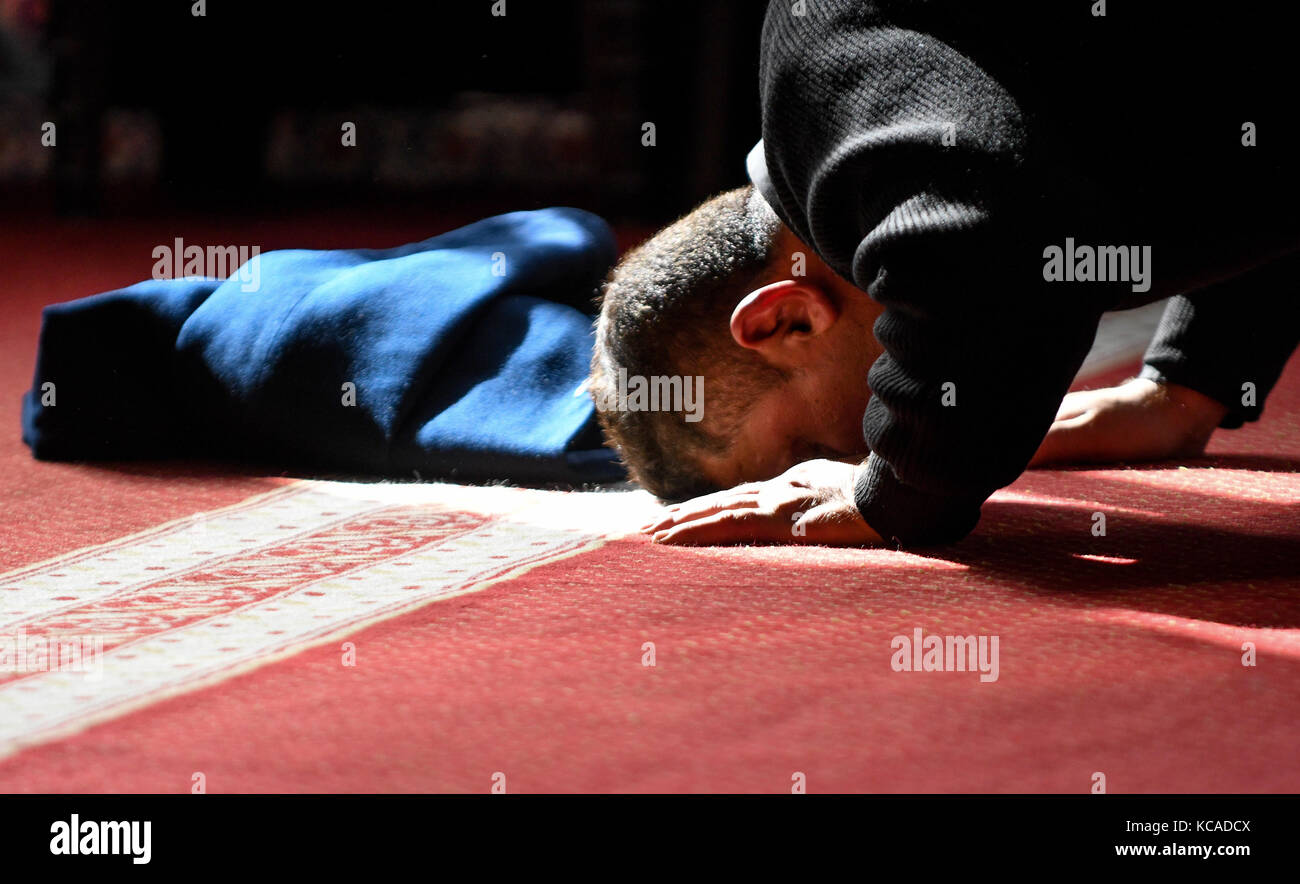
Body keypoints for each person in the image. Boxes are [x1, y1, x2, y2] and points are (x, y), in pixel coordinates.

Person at [590, 0, 1300, 547]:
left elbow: (984, 252)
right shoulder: (845, 97)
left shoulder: (857, 122)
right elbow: (1218, 136)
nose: (834, 463)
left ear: (786, 318)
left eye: (805, 452)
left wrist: (895, 489)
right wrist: (1189, 386)